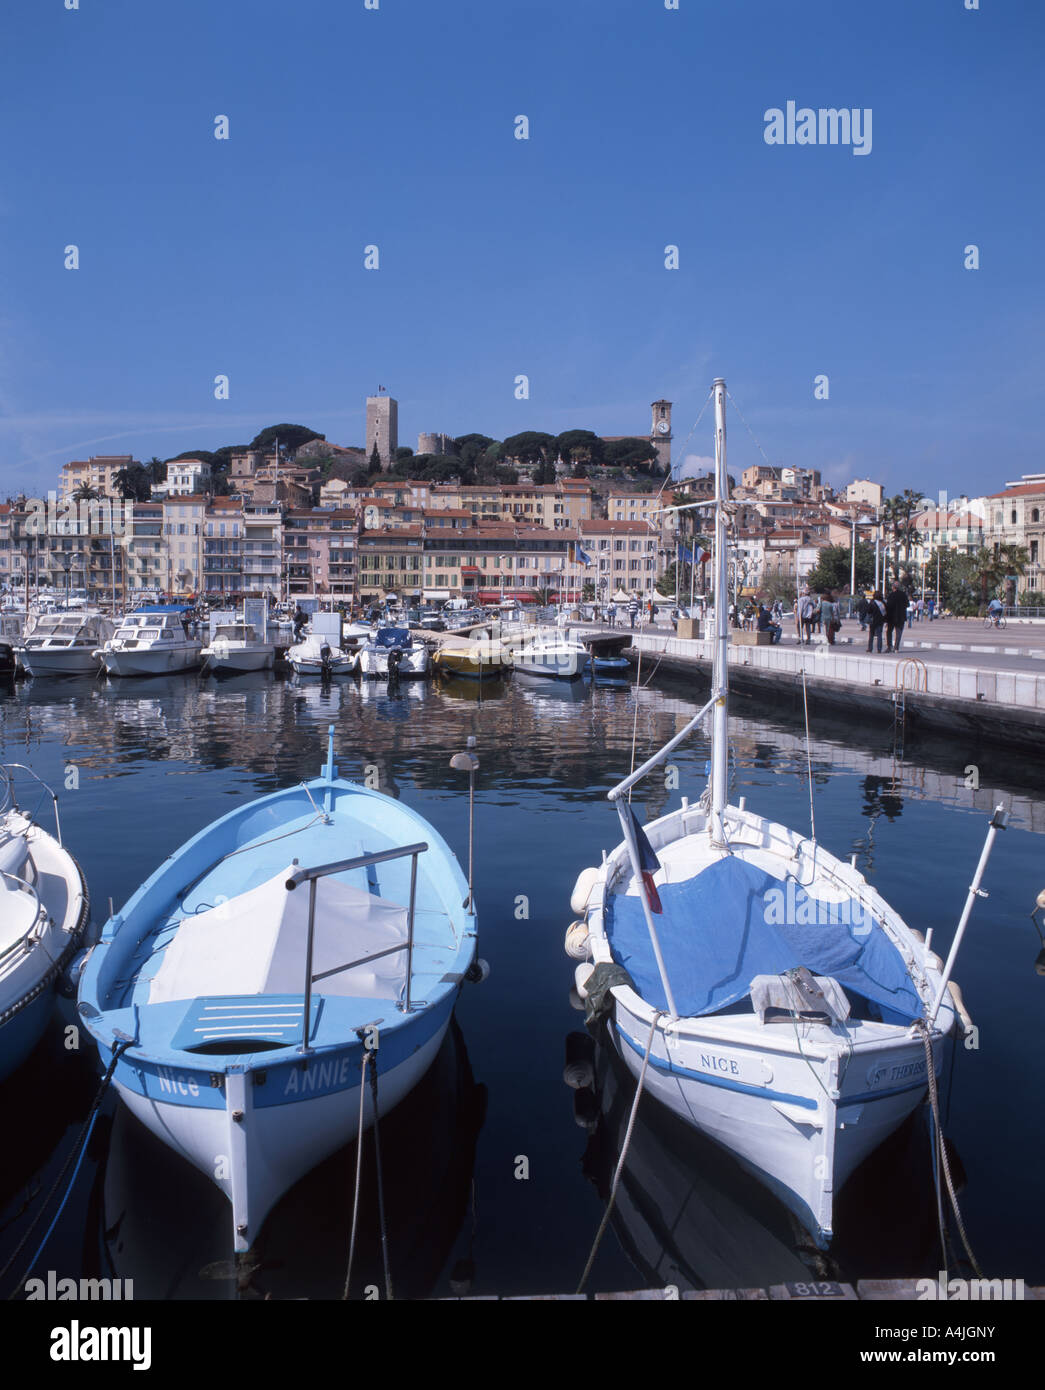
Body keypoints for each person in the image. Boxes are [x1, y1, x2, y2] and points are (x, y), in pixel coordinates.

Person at [885, 582, 909, 652]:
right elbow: (907, 604)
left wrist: (886, 618)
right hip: (901, 617)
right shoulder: (903, 595)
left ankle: (889, 647)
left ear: (893, 587)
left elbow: (888, 606)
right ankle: (896, 648)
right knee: (899, 633)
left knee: (889, 632)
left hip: (892, 617)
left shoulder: (891, 595)